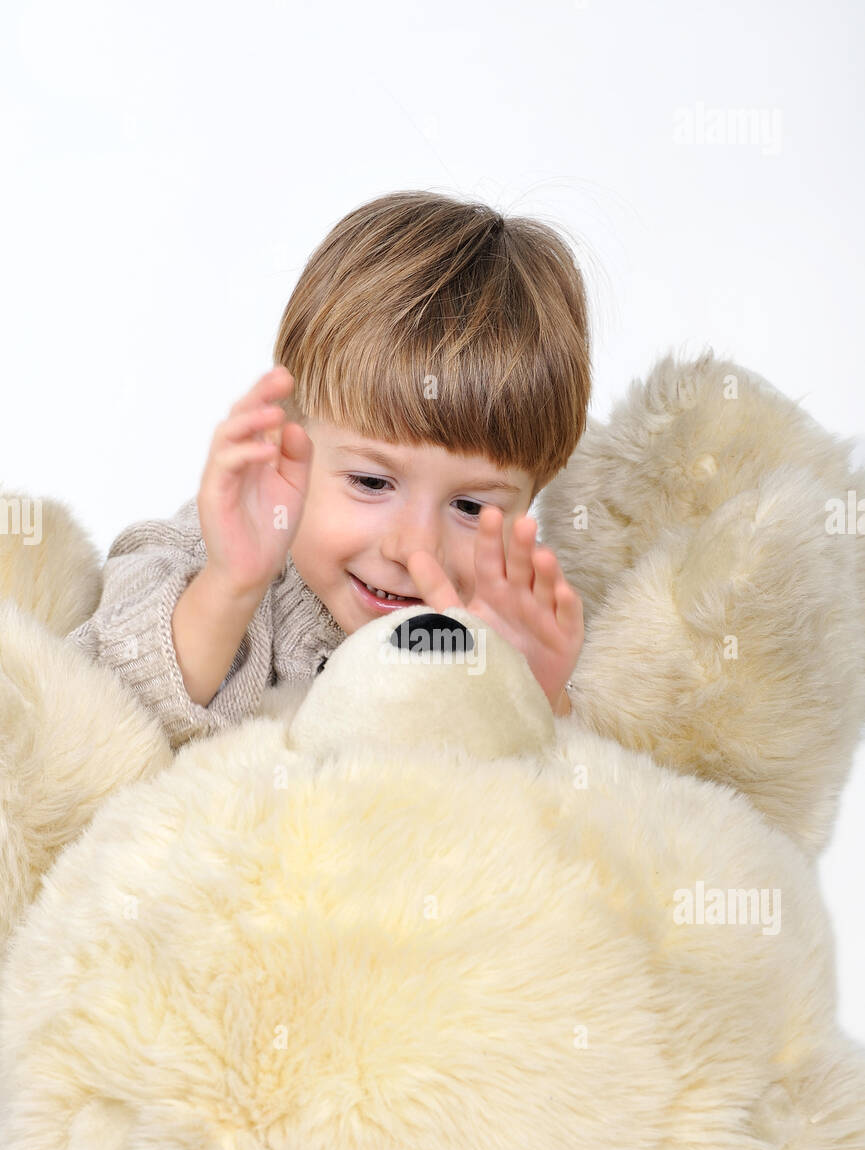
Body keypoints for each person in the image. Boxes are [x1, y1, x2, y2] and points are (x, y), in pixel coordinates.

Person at [65, 190, 592, 750]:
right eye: (371, 482)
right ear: (288, 440)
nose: (415, 550)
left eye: (471, 507)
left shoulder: (524, 622)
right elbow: (92, 717)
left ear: (534, 497)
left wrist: (536, 699)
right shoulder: (212, 556)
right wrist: (230, 587)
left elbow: (584, 810)